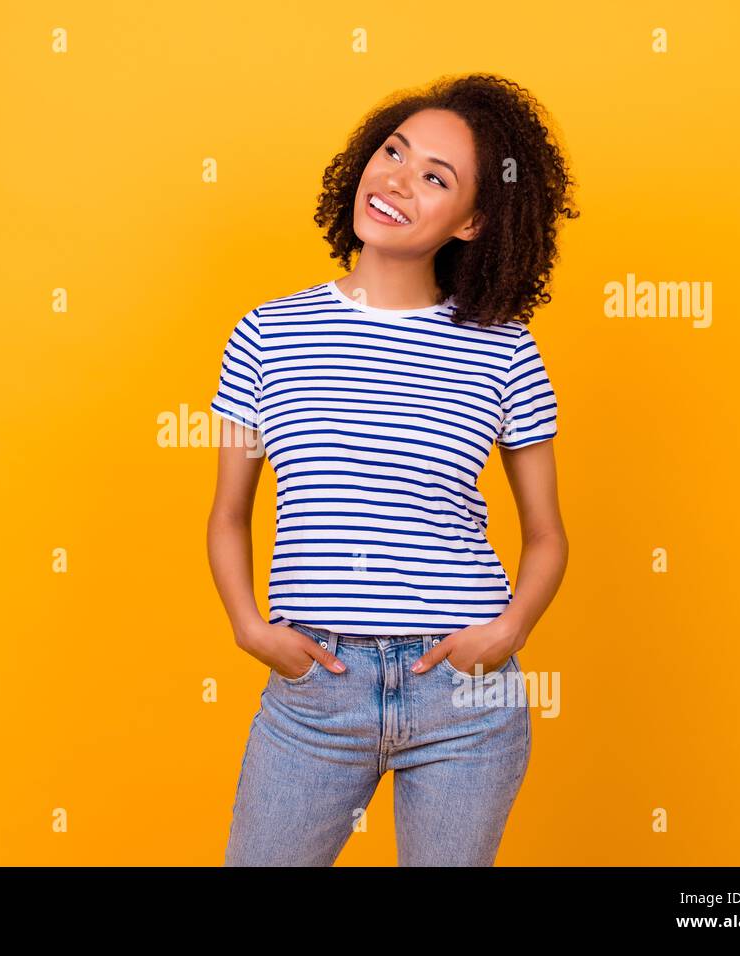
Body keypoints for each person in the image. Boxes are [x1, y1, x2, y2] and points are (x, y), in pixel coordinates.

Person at [206, 73, 577, 866]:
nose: (397, 181)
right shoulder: (268, 333)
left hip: (464, 699)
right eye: (394, 152)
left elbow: (546, 535)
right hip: (316, 689)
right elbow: (229, 511)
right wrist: (249, 627)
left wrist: (509, 631)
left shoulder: (504, 349)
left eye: (435, 178)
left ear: (475, 220)